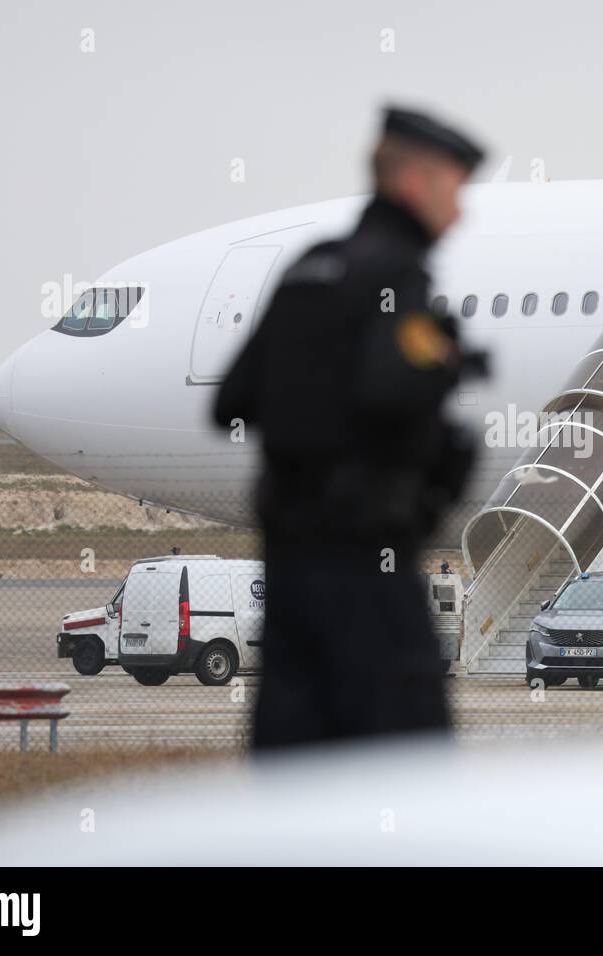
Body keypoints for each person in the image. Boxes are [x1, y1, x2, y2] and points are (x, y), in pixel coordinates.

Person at [213, 106, 486, 749]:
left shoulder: (312, 268)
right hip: (369, 565)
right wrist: (442, 370)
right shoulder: (398, 276)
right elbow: (389, 394)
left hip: (288, 572)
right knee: (403, 762)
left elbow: (230, 400)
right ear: (414, 185)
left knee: (295, 756)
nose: (462, 210)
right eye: (454, 188)